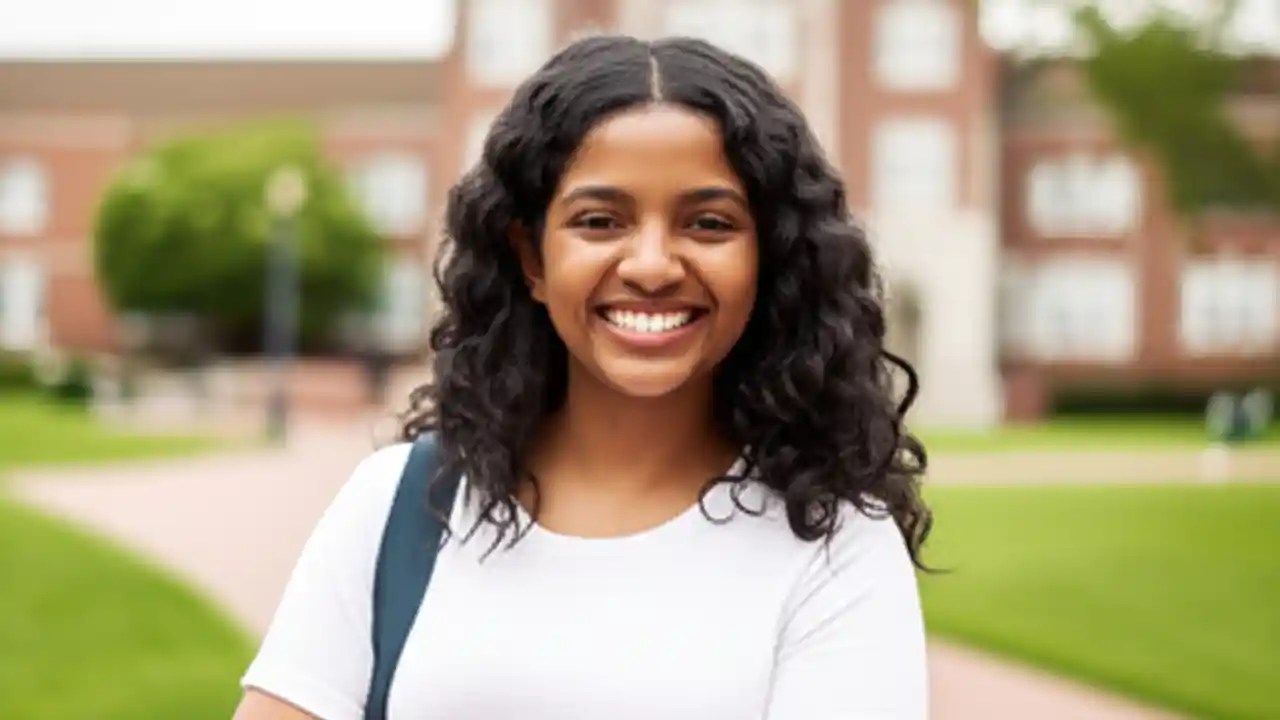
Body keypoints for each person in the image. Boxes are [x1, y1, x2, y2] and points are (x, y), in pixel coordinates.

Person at [235, 34, 931, 720]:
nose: (653, 265)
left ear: (769, 260)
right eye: (599, 221)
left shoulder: (837, 549)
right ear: (531, 258)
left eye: (709, 223)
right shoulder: (399, 505)